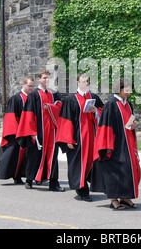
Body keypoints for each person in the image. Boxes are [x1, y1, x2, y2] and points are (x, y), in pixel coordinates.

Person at [90, 78, 140, 210]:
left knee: (127, 170)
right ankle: (113, 199)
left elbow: (129, 121)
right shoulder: (111, 104)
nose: (129, 93)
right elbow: (105, 126)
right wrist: (107, 146)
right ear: (119, 89)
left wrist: (132, 125)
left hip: (128, 143)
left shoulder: (128, 104)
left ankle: (124, 197)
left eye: (130, 90)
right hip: (115, 144)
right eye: (126, 90)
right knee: (115, 171)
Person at [56, 73, 104, 202]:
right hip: (77, 138)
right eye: (83, 81)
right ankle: (82, 190)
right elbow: (65, 120)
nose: (86, 83)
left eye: (88, 81)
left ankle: (87, 186)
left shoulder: (93, 97)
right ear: (77, 82)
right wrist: (67, 140)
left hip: (92, 138)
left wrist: (97, 112)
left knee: (91, 163)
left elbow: (104, 112)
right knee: (78, 165)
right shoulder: (70, 99)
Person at [16, 70, 64, 191]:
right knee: (34, 156)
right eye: (44, 78)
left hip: (52, 131)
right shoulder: (33, 95)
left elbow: (59, 108)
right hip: (38, 131)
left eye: (48, 78)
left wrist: (51, 107)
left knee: (53, 157)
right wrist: (31, 132)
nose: (46, 80)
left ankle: (54, 183)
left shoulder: (53, 94)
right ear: (39, 79)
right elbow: (28, 114)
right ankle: (29, 180)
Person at [0, 76, 35, 184]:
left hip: (30, 132)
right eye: (29, 86)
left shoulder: (33, 98)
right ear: (23, 84)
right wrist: (16, 133)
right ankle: (16, 176)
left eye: (33, 86)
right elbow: (11, 117)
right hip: (19, 132)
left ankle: (31, 176)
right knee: (16, 155)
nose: (31, 88)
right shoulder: (16, 98)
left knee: (29, 156)